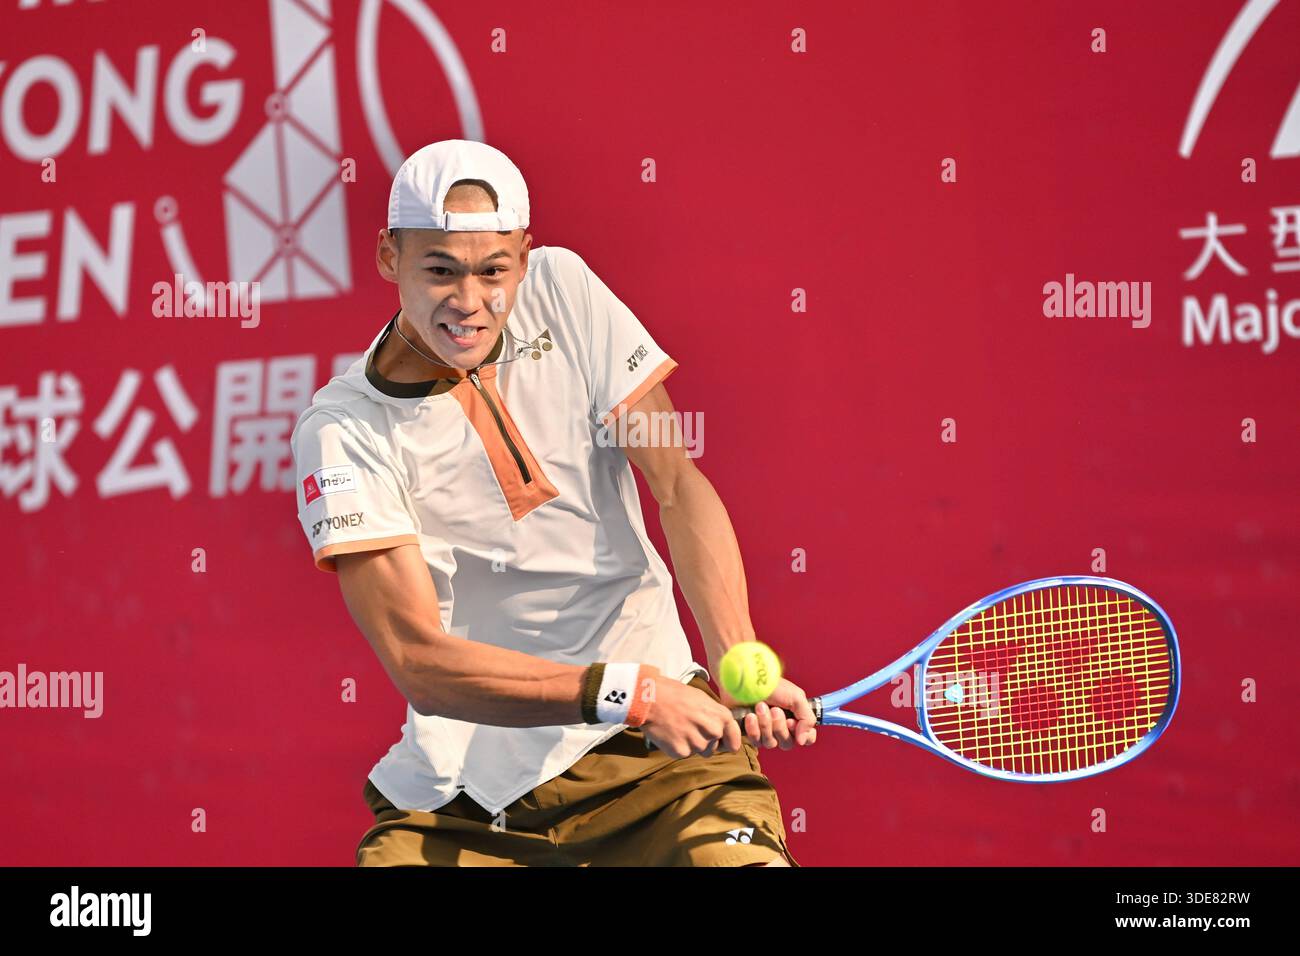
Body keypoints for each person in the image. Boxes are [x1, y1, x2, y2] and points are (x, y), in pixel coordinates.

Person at [290, 139, 817, 867]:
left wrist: (733, 653)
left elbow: (677, 482)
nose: (468, 303)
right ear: (390, 258)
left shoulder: (565, 290)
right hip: (466, 802)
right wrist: (624, 693)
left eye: (493, 272)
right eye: (439, 270)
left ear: (525, 261)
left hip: (664, 766)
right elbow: (419, 660)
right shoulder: (343, 430)